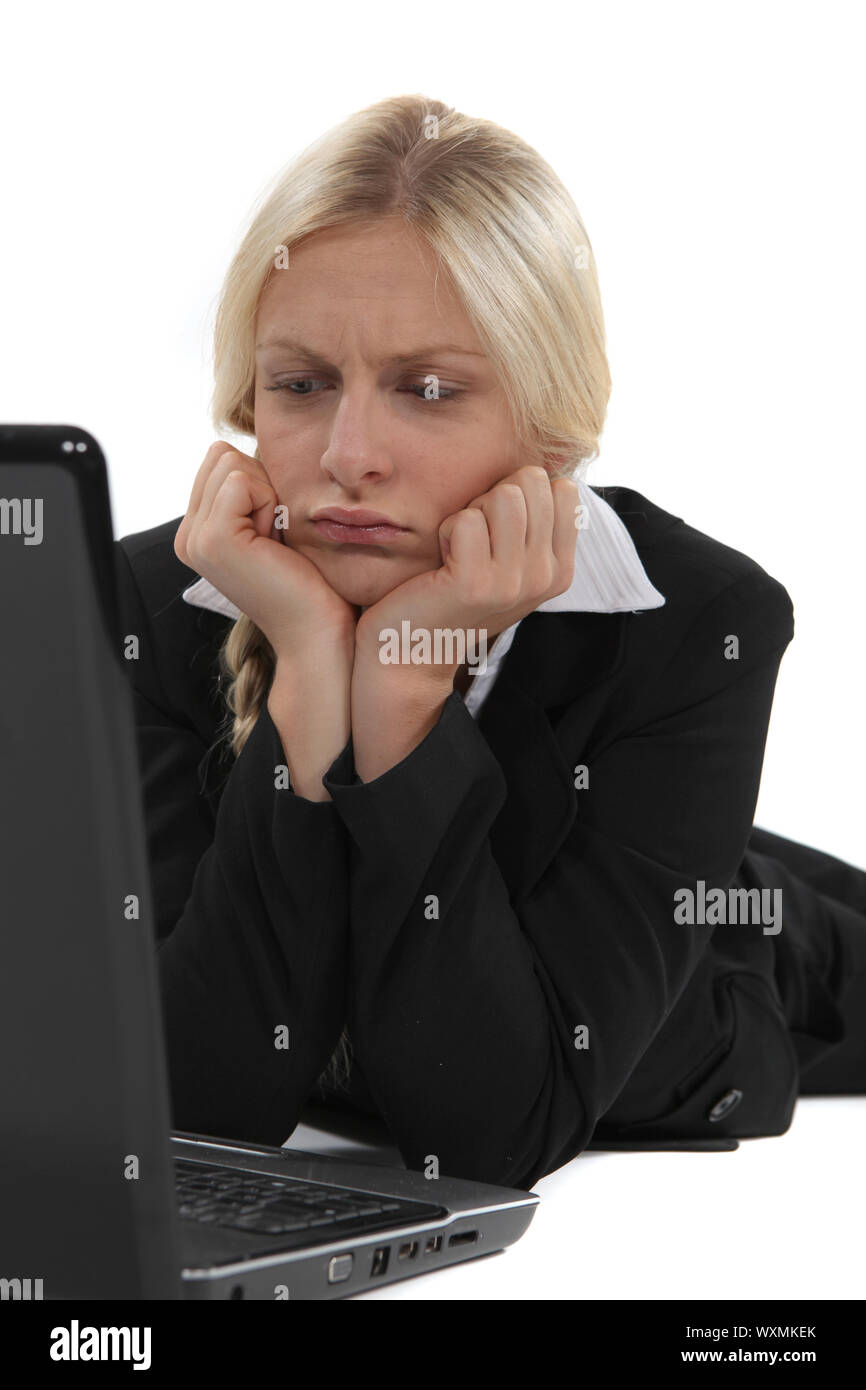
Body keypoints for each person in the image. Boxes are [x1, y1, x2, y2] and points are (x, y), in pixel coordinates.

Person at [114, 95, 864, 1191]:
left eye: (426, 389)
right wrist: (315, 676)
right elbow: (193, 1107)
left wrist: (407, 685)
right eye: (301, 383)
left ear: (547, 427)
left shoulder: (698, 620)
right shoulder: (146, 603)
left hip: (709, 962)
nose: (348, 454)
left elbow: (486, 1135)